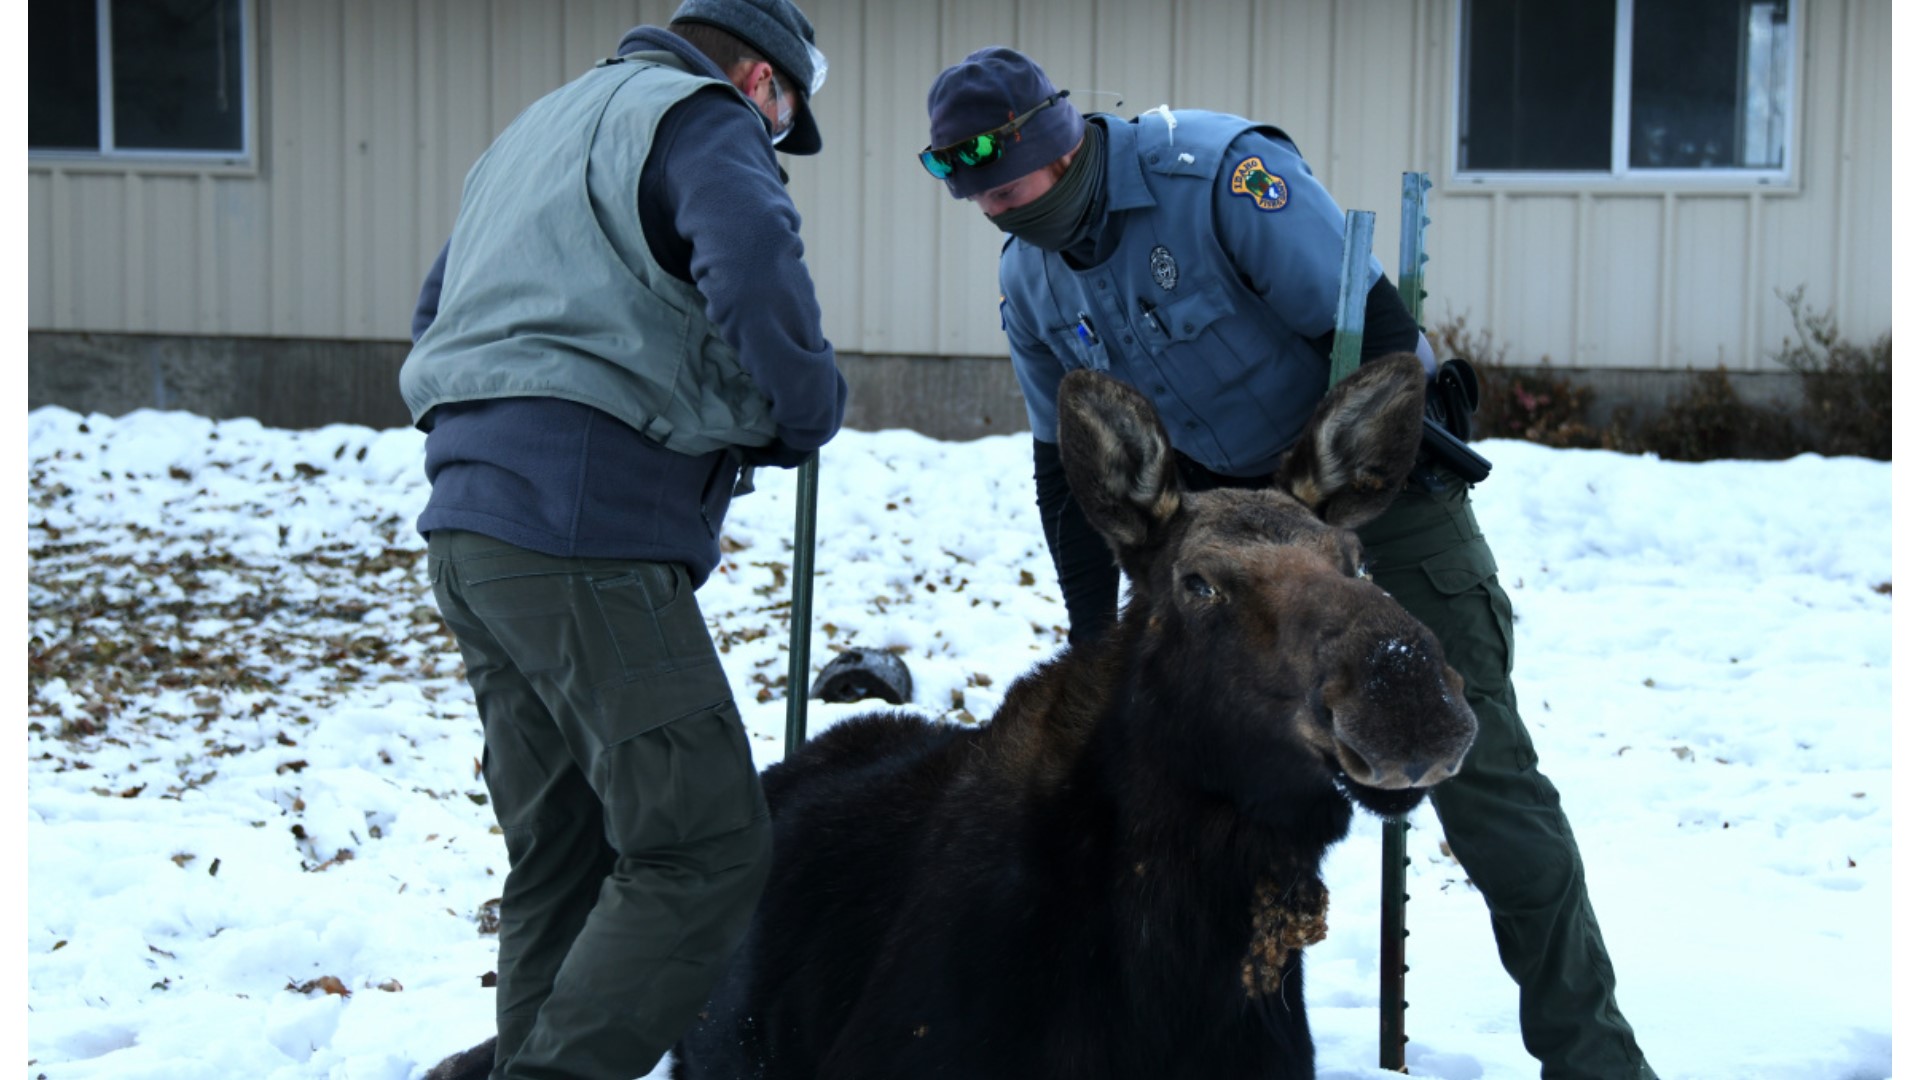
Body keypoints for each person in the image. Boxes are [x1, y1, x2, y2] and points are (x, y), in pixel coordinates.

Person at [920, 46, 1658, 1080]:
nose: (989, 205)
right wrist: (1100, 638)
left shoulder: (1216, 179)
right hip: (1226, 542)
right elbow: (1063, 469)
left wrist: (1377, 475)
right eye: (969, 191)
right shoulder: (1029, 280)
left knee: (1477, 771)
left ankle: (1594, 1060)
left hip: (1364, 490)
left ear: (1054, 141)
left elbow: (1378, 328)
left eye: (1001, 181)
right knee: (1185, 789)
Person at [399, 1, 845, 1076]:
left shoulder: (537, 129)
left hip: (471, 529)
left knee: (563, 853)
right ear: (761, 82)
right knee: (704, 844)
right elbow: (752, 265)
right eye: (786, 118)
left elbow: (435, 309)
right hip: (582, 534)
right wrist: (803, 406)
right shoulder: (703, 117)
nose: (777, 136)